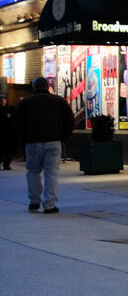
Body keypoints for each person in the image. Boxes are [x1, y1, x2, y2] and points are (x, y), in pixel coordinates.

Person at [14, 77, 73, 213]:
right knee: (51, 173)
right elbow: (70, 121)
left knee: (33, 172)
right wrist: (63, 139)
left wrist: (23, 141)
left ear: (34, 88)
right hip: (53, 141)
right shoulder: (59, 101)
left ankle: (34, 201)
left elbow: (17, 124)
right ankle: (49, 204)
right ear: (47, 87)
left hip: (33, 143)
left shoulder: (25, 103)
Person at [0, 94, 14, 169]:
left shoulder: (10, 108)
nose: (3, 100)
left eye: (4, 99)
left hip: (8, 132)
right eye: (2, 99)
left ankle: (6, 164)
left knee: (7, 149)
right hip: (1, 131)